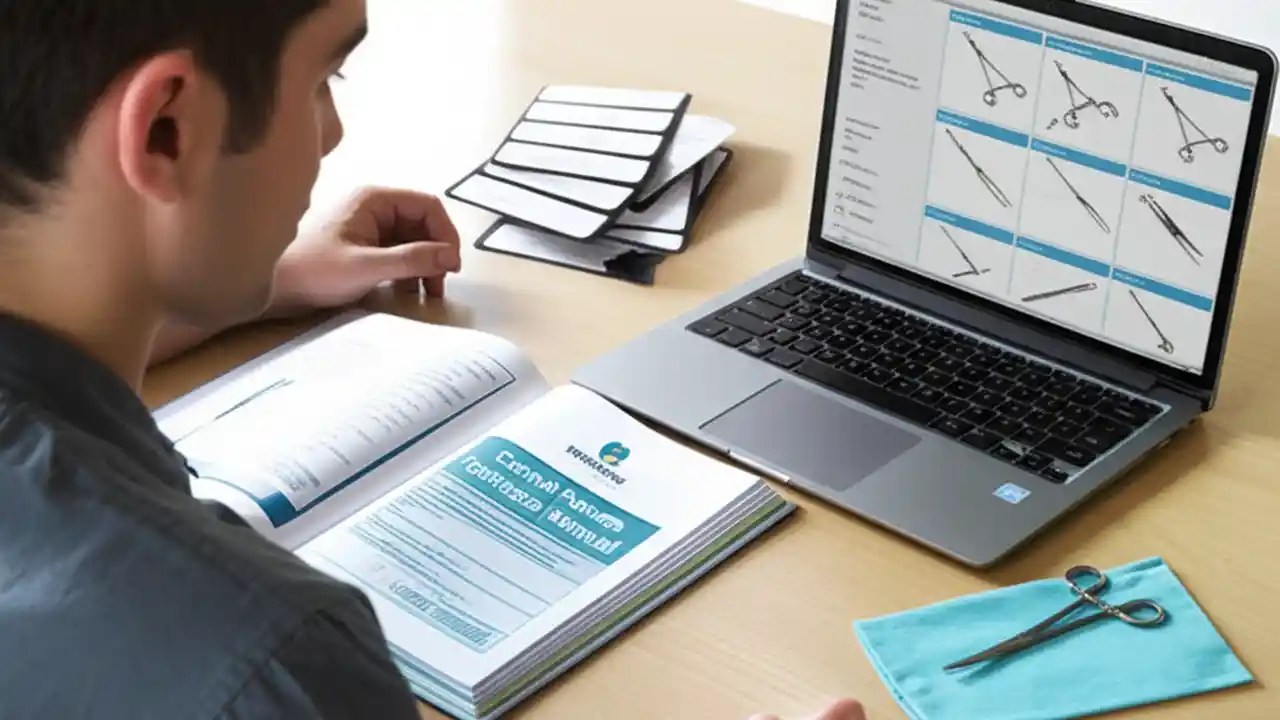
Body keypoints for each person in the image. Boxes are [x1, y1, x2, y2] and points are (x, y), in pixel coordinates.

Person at [0, 1, 867, 719]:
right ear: (165, 130)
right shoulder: (274, 664)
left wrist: (252, 277)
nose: (334, 134)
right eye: (325, 80)